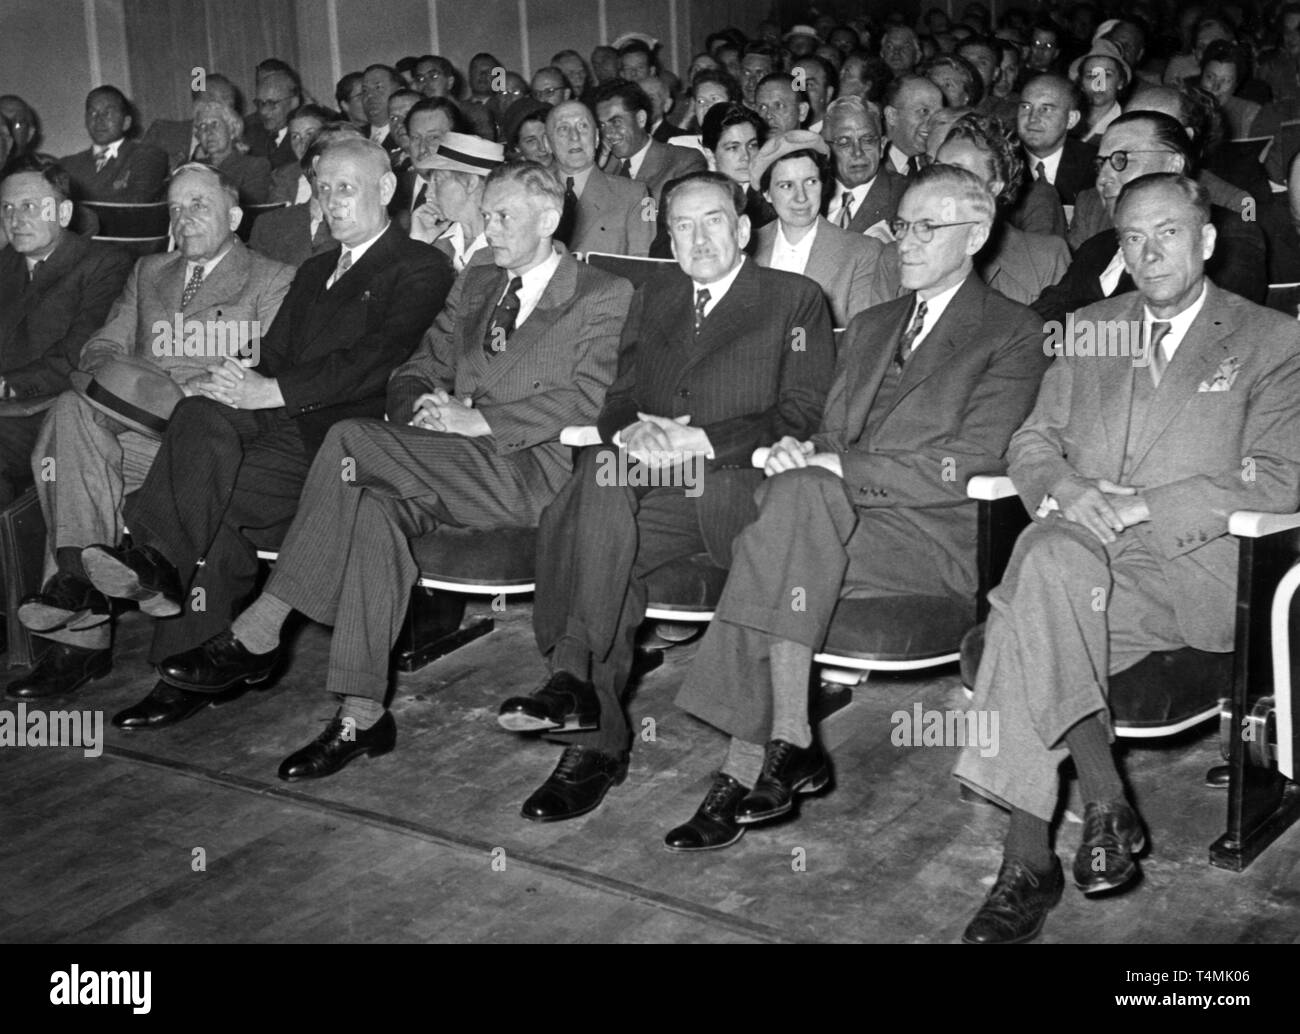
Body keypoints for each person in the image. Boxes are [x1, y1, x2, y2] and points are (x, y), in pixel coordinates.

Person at [149, 161, 634, 777]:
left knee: (352, 440)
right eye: (485, 216)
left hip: (526, 471)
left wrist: (476, 421)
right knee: (372, 507)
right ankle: (361, 716)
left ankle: (261, 627)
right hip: (443, 456)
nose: (489, 229)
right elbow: (414, 367)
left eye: (503, 217)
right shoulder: (479, 279)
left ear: (549, 218)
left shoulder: (601, 294)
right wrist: (422, 412)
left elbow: (593, 399)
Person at [955, 173, 1300, 944]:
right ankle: (1080, 820)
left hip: (1191, 568)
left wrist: (1144, 505)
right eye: (1133, 238)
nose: (1150, 253)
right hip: (1081, 547)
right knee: (1050, 556)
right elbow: (1030, 441)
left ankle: (1038, 853)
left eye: (1168, 233)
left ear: (1206, 240)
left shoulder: (1272, 340)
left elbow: (1282, 478)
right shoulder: (1090, 327)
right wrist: (1068, 486)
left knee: (1018, 612)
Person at [665, 165, 1049, 851]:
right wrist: (798, 451)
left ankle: (748, 757)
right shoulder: (873, 323)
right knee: (793, 496)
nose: (905, 241)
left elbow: (968, 464)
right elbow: (830, 437)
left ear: (978, 234)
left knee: (782, 527)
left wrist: (828, 465)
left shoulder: (1014, 333)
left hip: (932, 537)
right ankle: (785, 739)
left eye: (928, 228)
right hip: (831, 519)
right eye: (902, 225)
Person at [79, 140, 456, 729]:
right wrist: (232, 376)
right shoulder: (312, 271)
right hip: (278, 417)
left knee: (214, 492)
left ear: (386, 191)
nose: (331, 202)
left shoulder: (421, 265)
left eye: (346, 188)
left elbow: (380, 358)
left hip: (343, 438)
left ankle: (178, 628)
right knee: (198, 416)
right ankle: (156, 568)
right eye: (322, 188)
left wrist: (271, 391)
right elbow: (272, 352)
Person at [497, 171, 836, 823]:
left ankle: (580, 694)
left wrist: (698, 442)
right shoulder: (650, 297)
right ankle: (585, 717)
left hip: (745, 490)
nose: (697, 237)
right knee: (598, 483)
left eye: (712, 220)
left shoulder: (794, 299)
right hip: (656, 481)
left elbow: (800, 412)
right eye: (681, 225)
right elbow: (616, 398)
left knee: (595, 530)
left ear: (741, 230)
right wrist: (634, 431)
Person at [12, 163, 293, 701]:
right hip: (132, 425)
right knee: (72, 410)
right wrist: (127, 379)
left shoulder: (272, 279)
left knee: (69, 435)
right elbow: (101, 345)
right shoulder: (149, 271)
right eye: (175, 209)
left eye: (199, 206)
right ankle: (78, 592)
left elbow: (260, 372)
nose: (184, 219)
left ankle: (80, 624)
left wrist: (175, 393)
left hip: (203, 439)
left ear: (234, 216)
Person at [1034, 111, 1267, 323]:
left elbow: (1213, 325)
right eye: (1100, 165)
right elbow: (1036, 324)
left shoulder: (1227, 234)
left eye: (1120, 160)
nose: (1103, 178)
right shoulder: (1097, 247)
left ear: (1174, 164)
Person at [0, 157, 131, 506]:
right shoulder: (4, 264)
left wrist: (6, 385)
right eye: (7, 208)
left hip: (48, 409)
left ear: (63, 213)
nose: (16, 219)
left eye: (29, 206)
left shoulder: (104, 264)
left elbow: (79, 355)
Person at [750, 130, 895, 326]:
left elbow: (862, 340)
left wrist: (797, 345)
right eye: (786, 186)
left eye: (810, 182)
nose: (801, 197)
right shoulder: (746, 249)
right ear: (767, 194)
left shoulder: (862, 253)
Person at [936, 113, 1069, 305]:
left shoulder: (1045, 258)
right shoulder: (901, 253)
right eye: (936, 169)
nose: (938, 183)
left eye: (958, 173)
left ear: (993, 188)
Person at [545, 100, 653, 256]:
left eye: (583, 126)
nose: (574, 137)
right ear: (547, 143)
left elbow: (641, 265)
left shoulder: (635, 195)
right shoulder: (529, 194)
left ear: (596, 138)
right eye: (563, 129)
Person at [593, 79, 705, 203]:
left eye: (616, 122)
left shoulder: (682, 161)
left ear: (641, 119)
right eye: (602, 125)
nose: (608, 133)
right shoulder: (601, 168)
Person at [59, 86, 168, 203]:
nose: (99, 120)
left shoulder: (148, 156)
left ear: (126, 122)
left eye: (107, 113)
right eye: (92, 113)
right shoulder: (68, 165)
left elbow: (137, 202)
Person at [411, 132, 501, 273]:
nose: (428, 193)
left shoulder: (505, 247)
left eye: (438, 181)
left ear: (471, 183)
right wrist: (420, 244)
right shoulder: (439, 242)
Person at [1012, 73, 1097, 212]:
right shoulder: (1000, 161)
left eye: (1046, 109)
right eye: (1026, 107)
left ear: (1071, 119)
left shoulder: (1093, 166)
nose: (1033, 118)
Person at [824, 97, 906, 237]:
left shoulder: (905, 196)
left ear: (882, 145)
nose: (858, 153)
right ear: (827, 149)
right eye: (844, 142)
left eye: (868, 141)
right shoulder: (814, 193)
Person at [193, 97, 271, 205]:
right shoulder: (192, 169)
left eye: (215, 124)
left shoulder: (255, 166)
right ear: (198, 136)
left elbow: (251, 208)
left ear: (232, 130)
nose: (208, 131)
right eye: (202, 126)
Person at [269, 104, 332, 205]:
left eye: (310, 134)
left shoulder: (342, 171)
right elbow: (276, 216)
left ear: (327, 135)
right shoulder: (282, 176)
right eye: (295, 136)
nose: (303, 142)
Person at [882, 75, 945, 176]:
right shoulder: (870, 168)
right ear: (892, 116)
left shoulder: (938, 166)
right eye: (924, 111)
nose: (934, 122)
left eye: (938, 113)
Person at [1072, 41, 1129, 144]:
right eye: (1091, 76)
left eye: (1107, 75)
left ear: (1120, 82)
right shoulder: (1068, 119)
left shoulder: (1126, 126)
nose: (1098, 83)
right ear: (1081, 84)